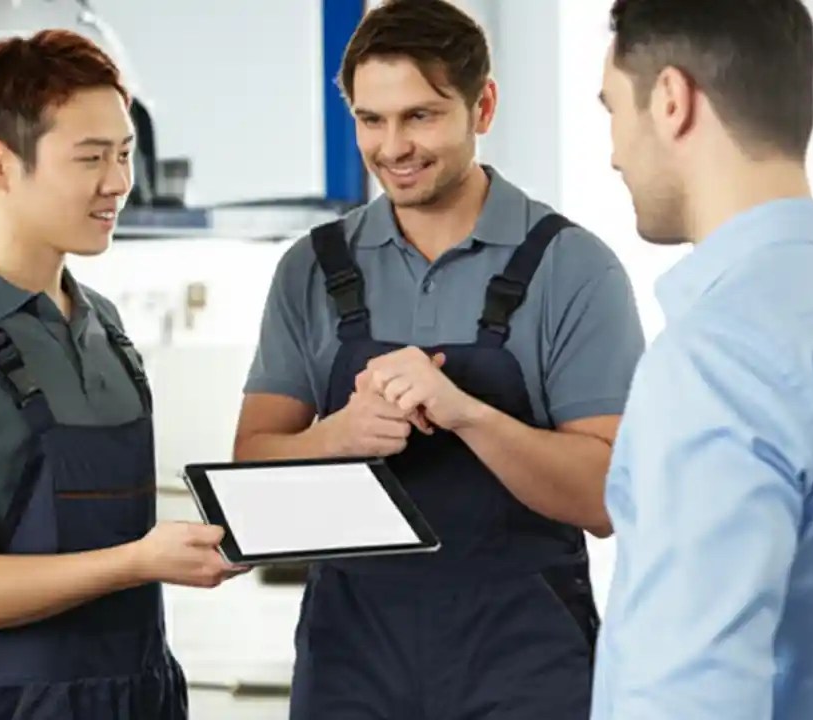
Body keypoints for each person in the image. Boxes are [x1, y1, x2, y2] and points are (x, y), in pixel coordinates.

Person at [233, 1, 646, 716]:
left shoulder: (574, 269)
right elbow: (250, 480)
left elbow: (609, 499)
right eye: (371, 120)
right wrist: (337, 438)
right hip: (350, 669)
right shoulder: (310, 270)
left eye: (420, 116)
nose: (393, 147)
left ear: (483, 107)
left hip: (523, 671)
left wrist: (466, 415)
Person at [0, 30, 242, 720]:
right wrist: (134, 563)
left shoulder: (105, 325)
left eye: (124, 153)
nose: (118, 182)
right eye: (91, 157)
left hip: (142, 693)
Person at [591, 1, 813, 718]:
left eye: (613, 110)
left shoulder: (716, 358)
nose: (614, 153)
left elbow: (688, 696)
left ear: (671, 100)